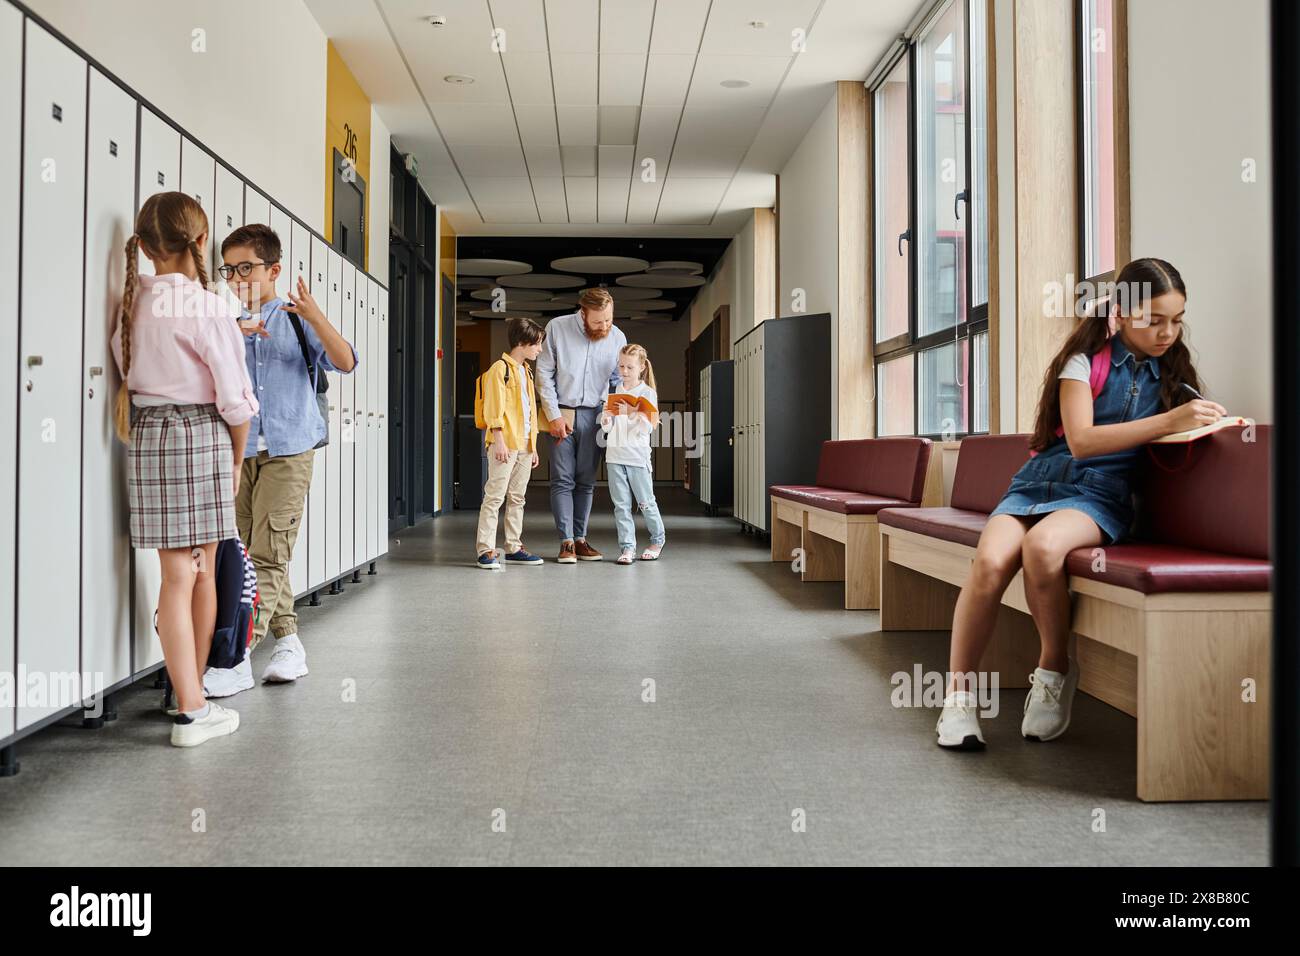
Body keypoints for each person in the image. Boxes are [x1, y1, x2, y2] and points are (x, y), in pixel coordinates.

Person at [935, 258, 1226, 750]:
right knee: (988, 562)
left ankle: (1053, 670)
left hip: (1099, 496)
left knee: (1044, 549)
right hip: (1038, 482)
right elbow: (1082, 442)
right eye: (1154, 320)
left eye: (1176, 320)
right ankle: (959, 700)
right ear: (1121, 313)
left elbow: (1172, 438)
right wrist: (1169, 421)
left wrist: (1201, 419)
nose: (1167, 333)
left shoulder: (1172, 377)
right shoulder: (1082, 362)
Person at [110, 191, 259, 747]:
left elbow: (128, 364)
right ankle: (192, 708)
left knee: (182, 574)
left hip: (149, 437)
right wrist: (238, 455)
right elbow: (236, 401)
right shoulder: (207, 305)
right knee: (197, 575)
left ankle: (187, 694)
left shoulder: (132, 301)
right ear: (201, 242)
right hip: (200, 436)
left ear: (145, 248)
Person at [204, 224, 357, 695]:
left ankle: (234, 657)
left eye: (245, 268)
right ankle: (289, 642)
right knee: (249, 553)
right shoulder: (226, 325)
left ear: (273, 269)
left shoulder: (295, 318)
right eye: (228, 269)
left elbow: (346, 361)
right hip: (241, 452)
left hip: (290, 449)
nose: (235, 278)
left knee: (269, 552)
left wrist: (315, 316)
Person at [535, 287, 626, 564]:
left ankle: (580, 539)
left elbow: (616, 382)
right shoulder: (558, 328)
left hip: (596, 415)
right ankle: (565, 542)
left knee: (586, 480)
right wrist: (553, 416)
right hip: (562, 412)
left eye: (608, 320)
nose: (605, 326)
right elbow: (544, 373)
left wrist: (615, 415)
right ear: (583, 313)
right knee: (563, 478)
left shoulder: (618, 336)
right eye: (598, 321)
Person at [476, 318, 546, 569]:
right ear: (522, 342)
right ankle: (485, 550)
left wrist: (533, 446)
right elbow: (493, 409)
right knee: (494, 496)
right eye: (537, 344)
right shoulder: (499, 369)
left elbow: (528, 412)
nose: (539, 349)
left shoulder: (525, 371)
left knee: (518, 497)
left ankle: (513, 546)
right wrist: (499, 441)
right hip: (504, 443)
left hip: (524, 445)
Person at [600, 344, 666, 564]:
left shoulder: (648, 393)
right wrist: (607, 418)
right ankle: (627, 548)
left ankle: (657, 540)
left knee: (646, 502)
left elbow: (648, 428)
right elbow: (607, 428)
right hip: (614, 456)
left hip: (637, 457)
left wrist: (634, 413)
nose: (624, 371)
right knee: (621, 506)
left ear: (641, 368)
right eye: (621, 366)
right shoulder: (615, 390)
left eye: (629, 367)